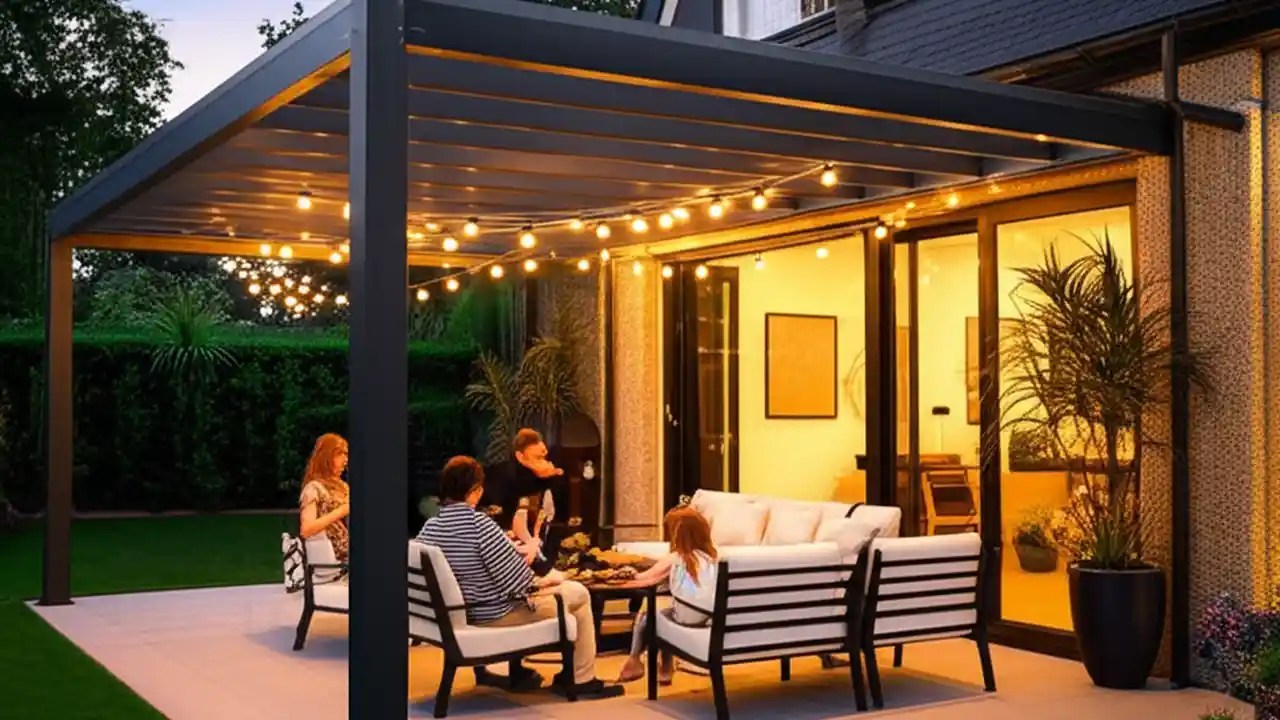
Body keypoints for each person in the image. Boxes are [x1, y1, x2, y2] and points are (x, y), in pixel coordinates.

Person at [417, 456, 623, 699]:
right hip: (492, 614)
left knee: (563, 591)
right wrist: (544, 576)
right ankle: (580, 679)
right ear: (475, 491)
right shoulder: (479, 524)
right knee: (578, 593)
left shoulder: (431, 527)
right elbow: (519, 584)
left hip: (459, 611)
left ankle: (540, 674)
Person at [615, 505, 718, 685]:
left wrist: (622, 574)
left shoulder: (677, 558)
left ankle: (634, 660)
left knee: (650, 613)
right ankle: (666, 668)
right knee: (666, 606)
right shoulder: (713, 558)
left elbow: (644, 579)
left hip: (688, 618)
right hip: (711, 617)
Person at [483, 429, 563, 570]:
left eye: (544, 458)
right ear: (520, 456)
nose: (545, 462)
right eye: (538, 459)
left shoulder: (549, 479)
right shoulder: (506, 479)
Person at [298, 433, 351, 564]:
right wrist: (341, 511)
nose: (345, 460)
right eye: (340, 454)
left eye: (346, 455)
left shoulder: (342, 486)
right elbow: (306, 529)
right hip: (337, 555)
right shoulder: (314, 488)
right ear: (326, 457)